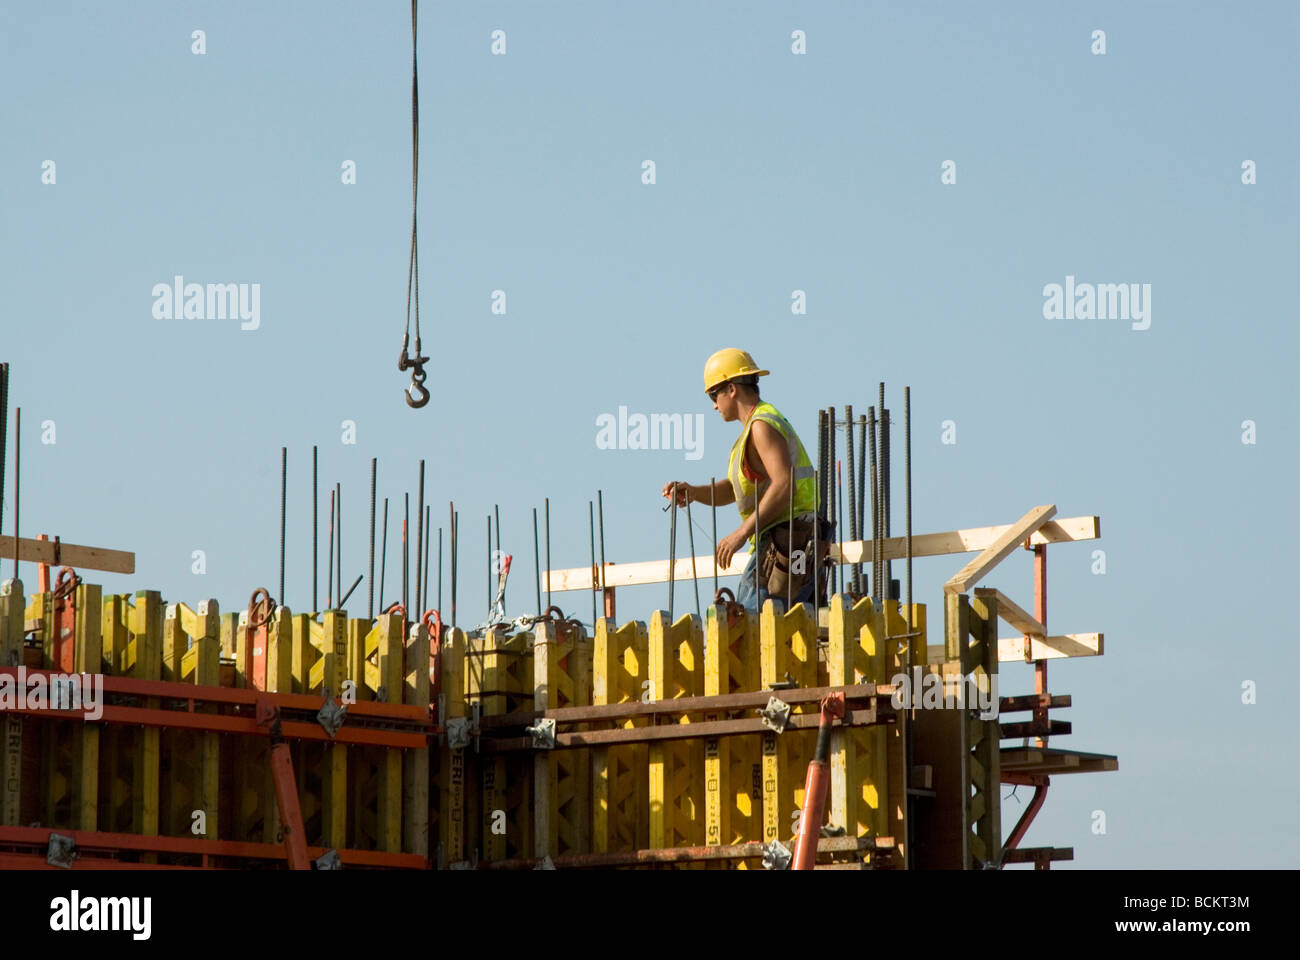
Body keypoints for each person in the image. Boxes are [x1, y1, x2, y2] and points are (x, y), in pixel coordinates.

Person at [662, 348, 823, 615]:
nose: (714, 404)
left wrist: (740, 533)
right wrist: (694, 493)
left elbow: (784, 484)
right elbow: (735, 490)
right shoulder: (755, 429)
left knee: (752, 631)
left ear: (732, 389)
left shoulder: (761, 425)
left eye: (714, 394)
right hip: (792, 540)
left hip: (786, 540)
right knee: (787, 629)